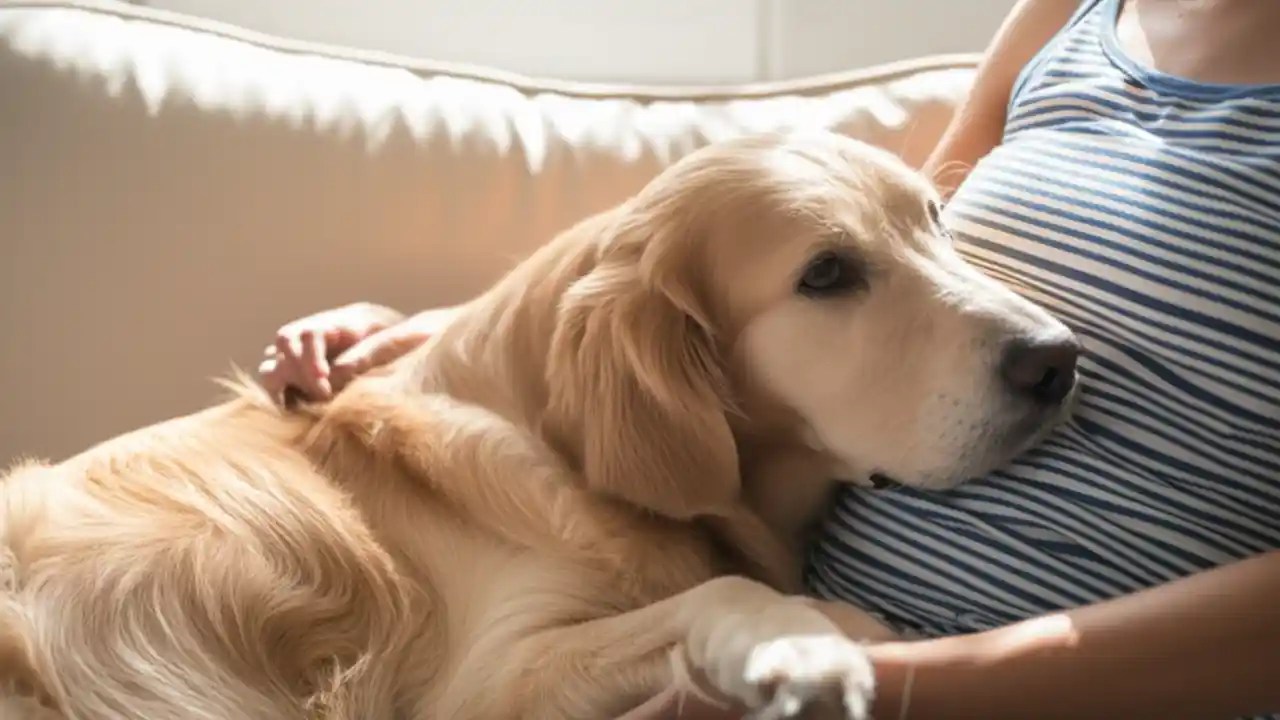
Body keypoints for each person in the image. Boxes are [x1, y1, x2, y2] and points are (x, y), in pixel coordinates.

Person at [259, 0, 1280, 717]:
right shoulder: (1069, 14)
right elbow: (875, 239)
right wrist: (480, 335)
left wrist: (880, 690)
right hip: (762, 643)